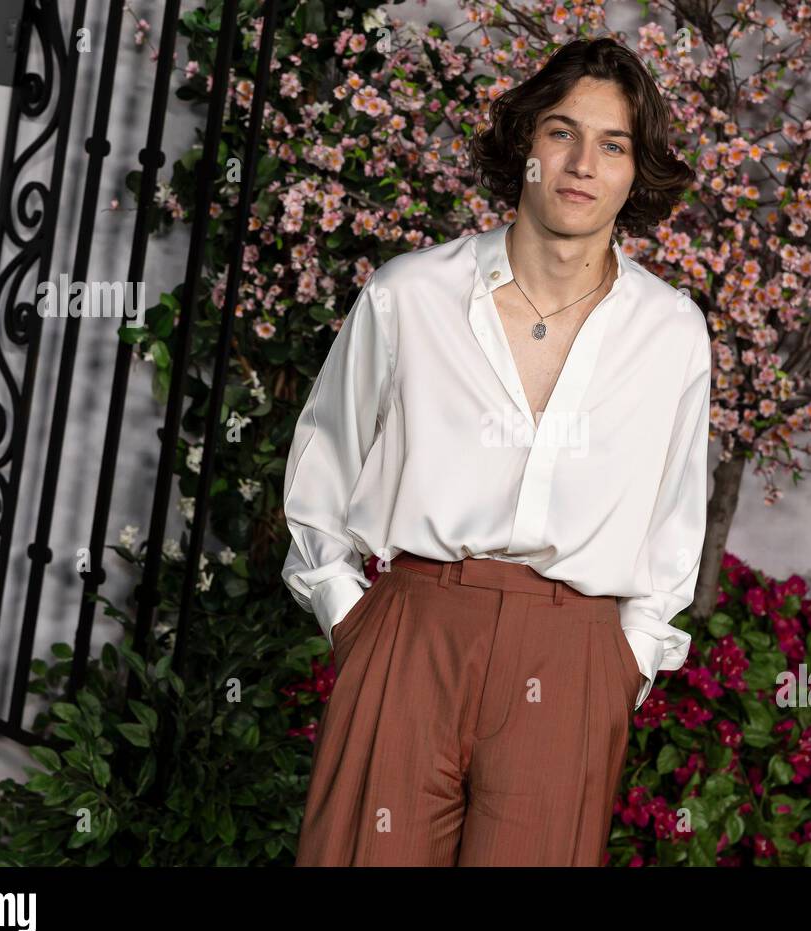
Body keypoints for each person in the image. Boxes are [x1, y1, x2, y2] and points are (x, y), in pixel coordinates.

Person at [284, 35, 712, 866]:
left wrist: (629, 658)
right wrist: (351, 619)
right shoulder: (408, 296)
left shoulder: (672, 334)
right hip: (410, 633)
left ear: (635, 172)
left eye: (613, 144)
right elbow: (324, 463)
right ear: (524, 145)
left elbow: (674, 518)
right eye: (562, 132)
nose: (582, 163)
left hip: (577, 655)